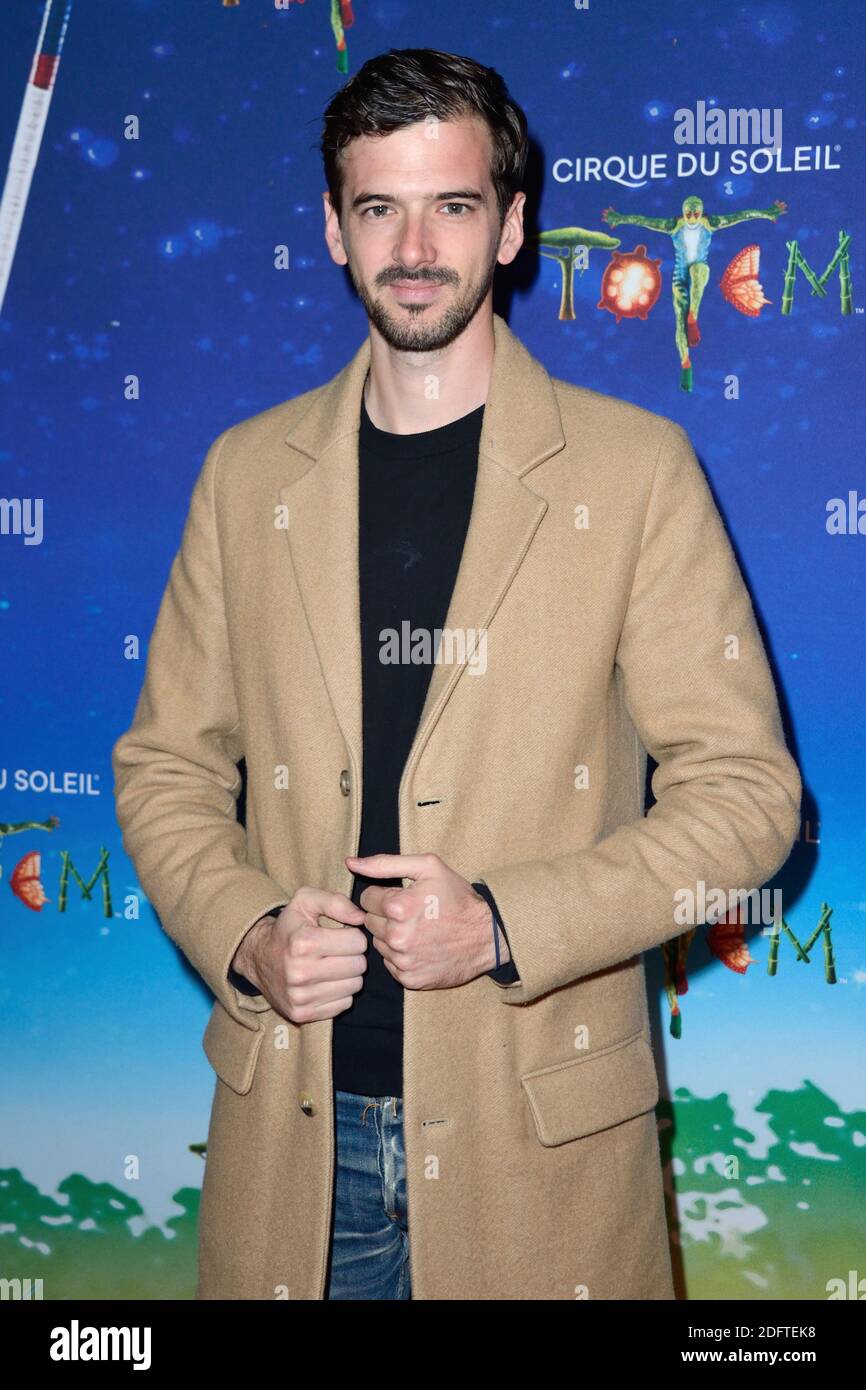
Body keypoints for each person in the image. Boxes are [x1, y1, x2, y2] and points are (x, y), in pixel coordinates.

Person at [111, 48, 802, 1301]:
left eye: (452, 205)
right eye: (379, 208)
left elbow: (747, 799)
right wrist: (248, 930)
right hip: (291, 1154)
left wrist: (500, 921)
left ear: (514, 222)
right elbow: (162, 765)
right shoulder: (244, 474)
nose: (414, 245)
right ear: (332, 228)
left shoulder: (632, 474)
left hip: (540, 1150)